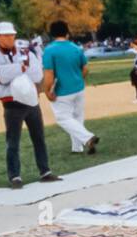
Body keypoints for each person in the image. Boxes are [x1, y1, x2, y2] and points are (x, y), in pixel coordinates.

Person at [0, 21, 61, 189]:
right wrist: (21, 67)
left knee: (39, 137)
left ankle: (45, 171)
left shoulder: (24, 51)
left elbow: (36, 73)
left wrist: (14, 70)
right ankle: (15, 176)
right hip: (11, 103)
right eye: (6, 35)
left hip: (31, 101)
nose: (11, 38)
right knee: (13, 142)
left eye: (12, 35)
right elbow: (0, 77)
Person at [41, 20, 99, 155]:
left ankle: (88, 138)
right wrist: (79, 80)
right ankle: (77, 148)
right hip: (78, 88)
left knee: (63, 118)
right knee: (77, 118)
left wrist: (47, 91)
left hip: (62, 91)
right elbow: (85, 68)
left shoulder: (49, 50)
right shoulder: (75, 48)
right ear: (67, 32)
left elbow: (49, 73)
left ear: (52, 34)